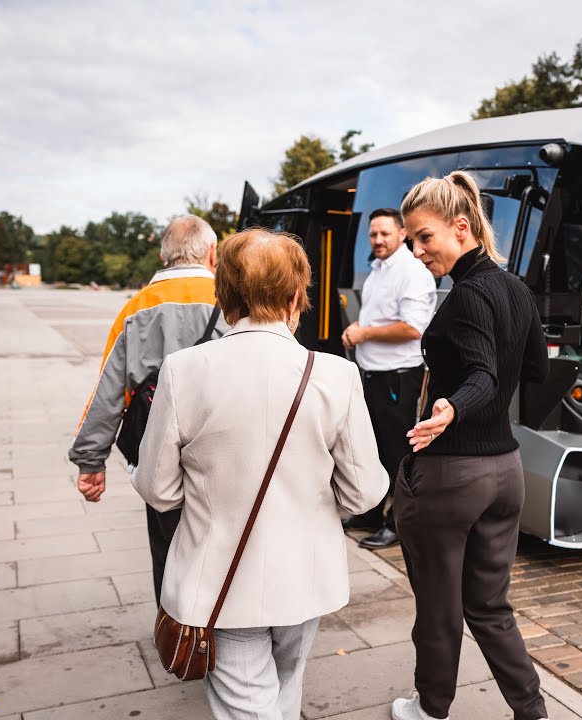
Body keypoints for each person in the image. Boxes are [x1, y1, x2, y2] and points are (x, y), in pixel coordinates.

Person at [131, 227, 389, 720]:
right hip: (308, 575)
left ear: (223, 294)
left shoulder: (183, 370)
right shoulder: (334, 373)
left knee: (247, 705)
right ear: (297, 295)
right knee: (286, 686)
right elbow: (364, 493)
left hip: (220, 574)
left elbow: (158, 489)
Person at [390, 171, 551, 720]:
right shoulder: (516, 289)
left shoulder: (466, 297)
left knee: (439, 607)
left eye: (424, 237)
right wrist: (487, 386)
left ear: (461, 228)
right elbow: (537, 369)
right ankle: (532, 711)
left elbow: (481, 374)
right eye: (411, 240)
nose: (416, 251)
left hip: (453, 476)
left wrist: (450, 408)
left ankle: (430, 709)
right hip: (506, 471)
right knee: (490, 606)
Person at [70, 214, 230, 605]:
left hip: (157, 450)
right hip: (224, 446)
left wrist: (90, 460)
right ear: (212, 253)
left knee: (167, 539)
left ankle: (175, 628)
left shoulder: (137, 307)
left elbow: (108, 391)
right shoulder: (233, 299)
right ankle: (221, 623)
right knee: (224, 539)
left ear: (163, 255)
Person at [340, 208, 436, 549]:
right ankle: (370, 514)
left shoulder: (411, 271)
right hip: (373, 374)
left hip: (398, 377)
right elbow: (378, 318)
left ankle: (397, 525)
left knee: (397, 453)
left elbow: (413, 329)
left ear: (401, 235)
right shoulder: (379, 268)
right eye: (373, 234)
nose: (377, 240)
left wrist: (364, 334)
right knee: (373, 448)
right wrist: (359, 331)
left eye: (384, 233)